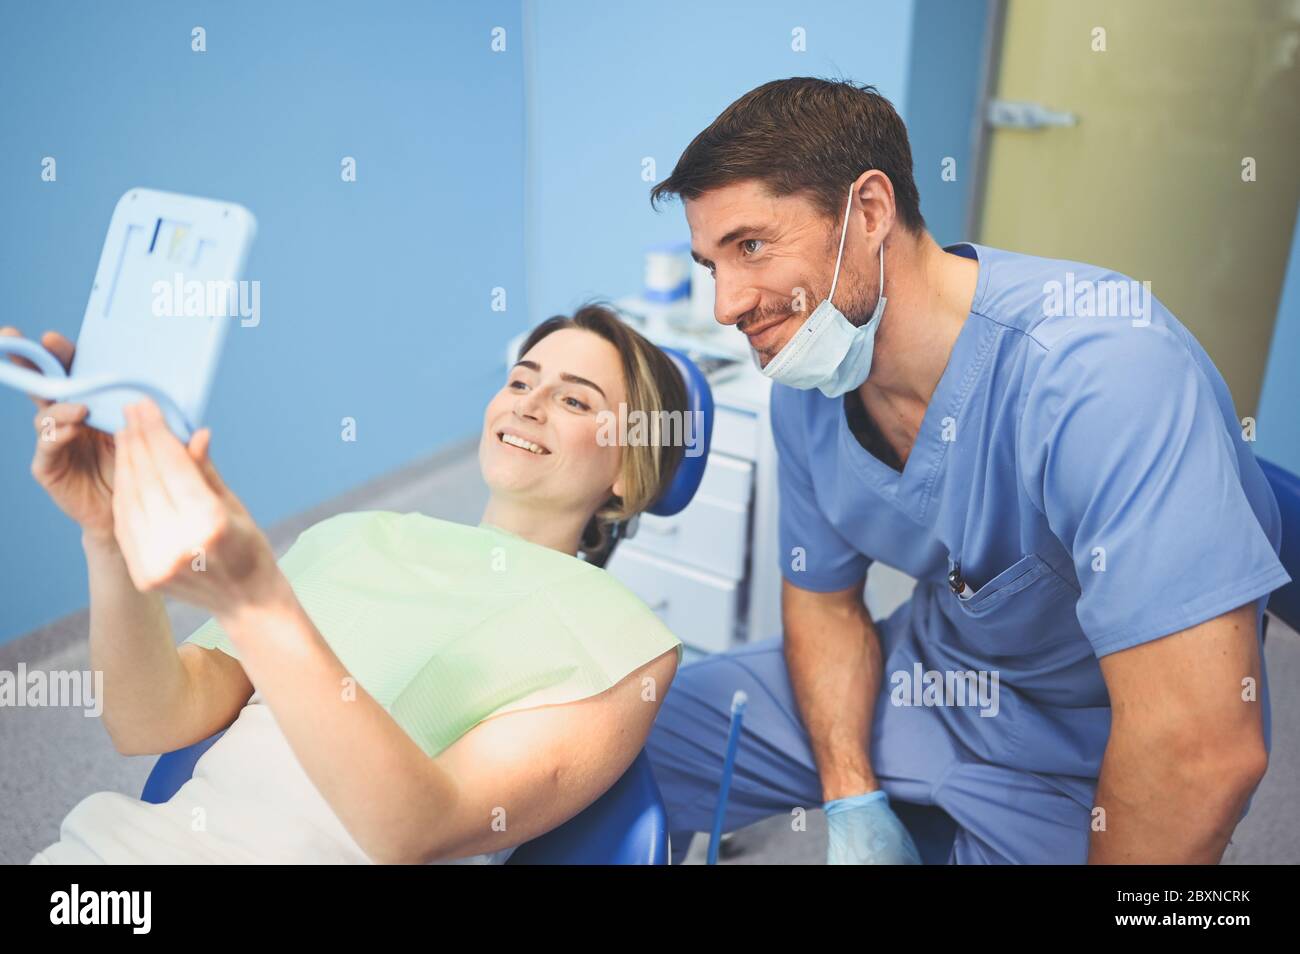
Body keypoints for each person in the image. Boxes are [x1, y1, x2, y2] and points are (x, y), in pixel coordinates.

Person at [643, 77, 1290, 864]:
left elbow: (1200, 752)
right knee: (632, 738)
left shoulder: (1102, 374)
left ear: (870, 212)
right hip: (924, 687)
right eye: (711, 263)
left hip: (1083, 754)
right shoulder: (813, 383)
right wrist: (851, 795)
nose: (726, 303)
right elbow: (824, 606)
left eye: (750, 246)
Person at [5, 303, 686, 864]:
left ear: (629, 470)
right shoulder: (356, 536)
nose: (529, 404)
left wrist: (256, 604)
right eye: (518, 381)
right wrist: (108, 531)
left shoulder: (623, 642)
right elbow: (149, 719)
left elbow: (415, 829)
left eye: (573, 398)